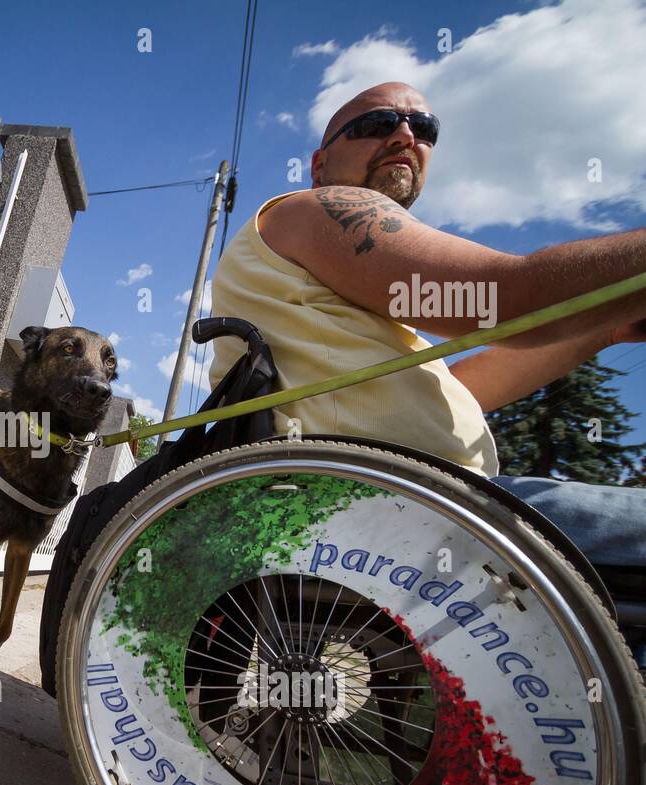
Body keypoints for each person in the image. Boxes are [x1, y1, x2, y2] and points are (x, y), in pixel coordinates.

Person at [206, 81, 646, 570]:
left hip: (421, 502)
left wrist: (603, 330)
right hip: (401, 508)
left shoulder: (334, 308)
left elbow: (462, 390)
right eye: (375, 124)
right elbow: (507, 298)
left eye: (424, 128)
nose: (403, 136)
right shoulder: (313, 211)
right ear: (319, 165)